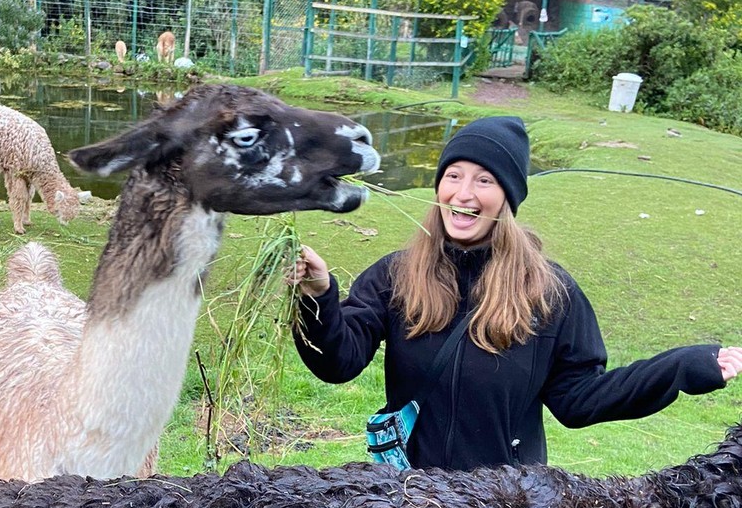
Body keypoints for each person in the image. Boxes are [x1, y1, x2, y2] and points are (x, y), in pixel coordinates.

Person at [290, 115, 742, 471]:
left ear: (508, 196)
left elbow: (580, 399)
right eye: (453, 175)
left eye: (484, 180)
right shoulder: (396, 274)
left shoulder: (550, 292)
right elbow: (338, 363)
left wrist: (682, 367)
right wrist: (318, 296)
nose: (462, 193)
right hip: (410, 500)